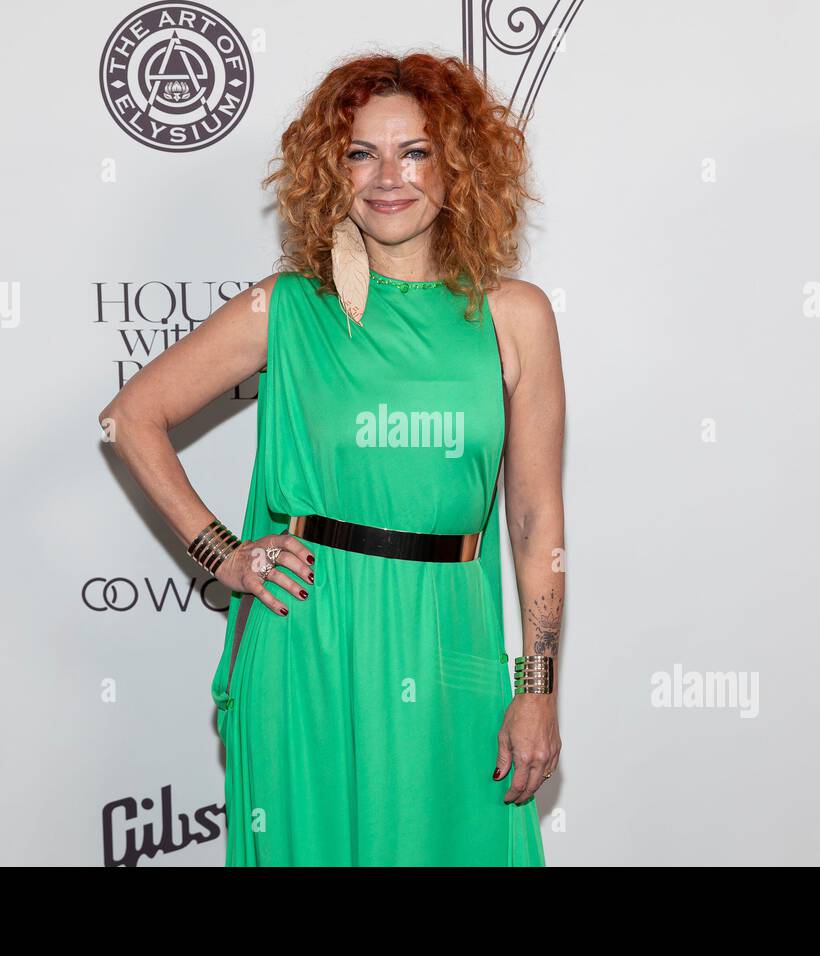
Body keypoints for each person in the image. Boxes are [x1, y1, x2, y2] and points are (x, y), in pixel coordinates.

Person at [98, 51, 565, 866]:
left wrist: (537, 691)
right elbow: (131, 417)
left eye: (415, 151)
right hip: (309, 638)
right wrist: (224, 555)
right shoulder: (285, 308)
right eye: (361, 153)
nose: (389, 176)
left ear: (458, 169)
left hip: (448, 640)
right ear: (331, 170)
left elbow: (533, 519)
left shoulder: (513, 316)